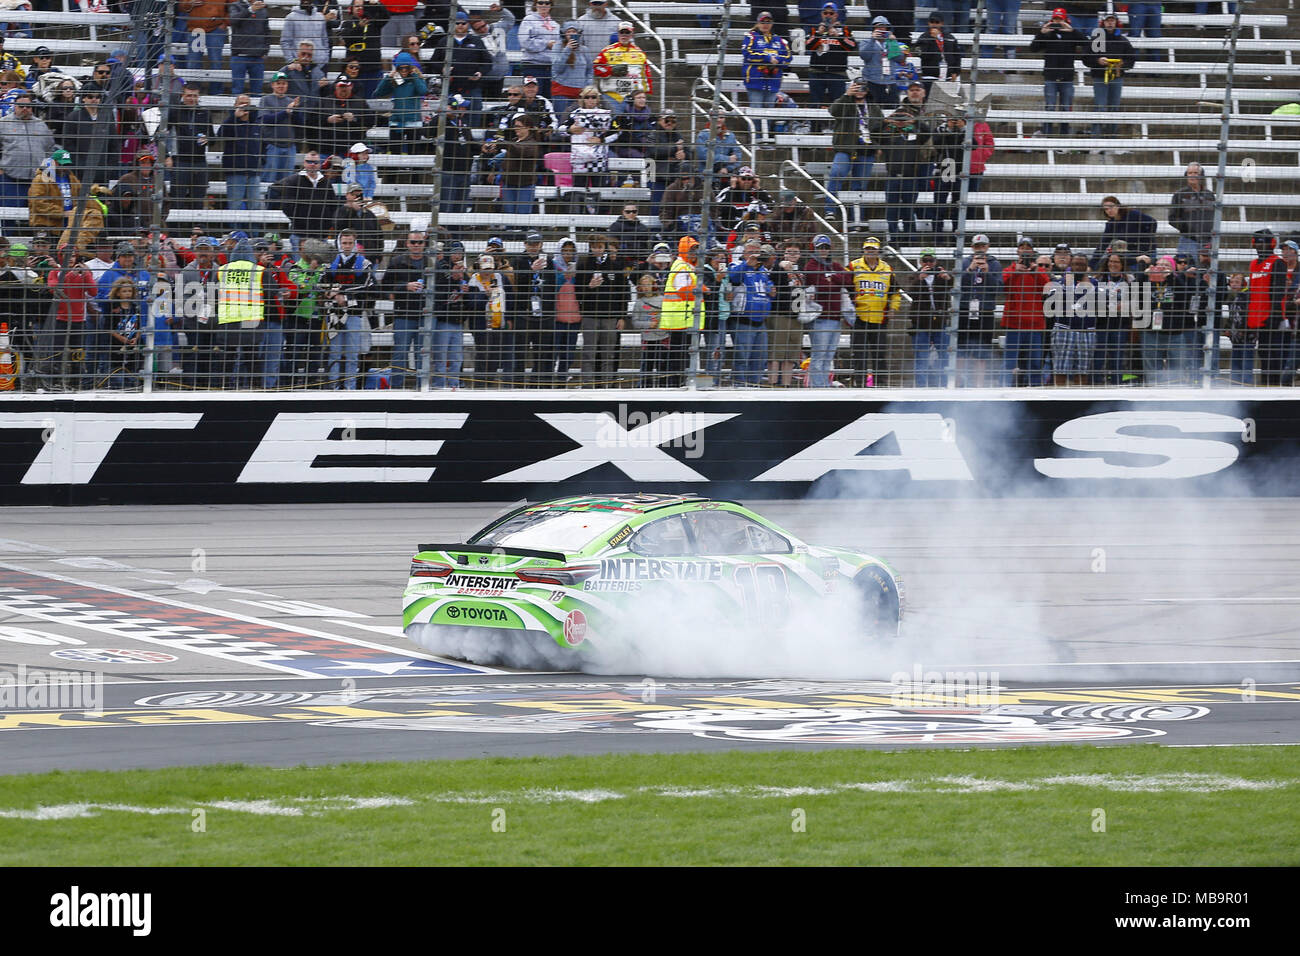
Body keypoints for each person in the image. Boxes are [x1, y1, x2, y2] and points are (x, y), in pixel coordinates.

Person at [878, 81, 933, 243]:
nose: (915, 93)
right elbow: (888, 136)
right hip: (907, 162)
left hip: (928, 160)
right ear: (907, 93)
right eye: (912, 90)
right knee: (902, 204)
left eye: (918, 90)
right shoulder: (900, 113)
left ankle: (912, 234)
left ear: (924, 92)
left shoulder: (932, 111)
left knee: (918, 200)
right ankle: (902, 237)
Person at [323, 229, 374, 390]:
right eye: (344, 243)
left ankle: (350, 388)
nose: (347, 246)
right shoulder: (329, 262)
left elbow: (365, 286)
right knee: (334, 353)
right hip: (334, 313)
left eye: (350, 243)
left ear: (355, 244)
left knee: (352, 354)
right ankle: (333, 387)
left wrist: (340, 293)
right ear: (339, 243)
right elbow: (321, 283)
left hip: (354, 313)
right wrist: (334, 294)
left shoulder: (364, 263)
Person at [1135, 254, 1195, 386]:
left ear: (1173, 269)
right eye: (1160, 265)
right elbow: (1133, 292)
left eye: (1166, 266)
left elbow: (1186, 298)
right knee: (1151, 370)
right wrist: (1143, 275)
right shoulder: (1147, 281)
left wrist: (1172, 277)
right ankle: (1152, 391)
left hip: (1174, 333)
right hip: (1150, 331)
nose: (1162, 268)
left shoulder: (1178, 281)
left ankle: (1176, 392)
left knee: (1177, 368)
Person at [803, 234, 853, 387]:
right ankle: (817, 389)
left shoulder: (835, 265)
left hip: (835, 318)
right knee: (819, 356)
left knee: (828, 356)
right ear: (814, 248)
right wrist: (835, 281)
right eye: (820, 247)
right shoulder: (810, 266)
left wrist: (834, 279)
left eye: (826, 247)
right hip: (820, 318)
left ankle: (824, 386)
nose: (824, 250)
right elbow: (822, 287)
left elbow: (849, 281)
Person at [577, 233, 626, 385]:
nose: (597, 250)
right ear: (590, 247)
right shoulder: (583, 264)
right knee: (589, 353)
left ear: (604, 247)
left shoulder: (615, 265)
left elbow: (623, 292)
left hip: (610, 317)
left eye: (600, 247)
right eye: (594, 247)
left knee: (608, 354)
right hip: (590, 315)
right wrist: (589, 287)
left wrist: (622, 316)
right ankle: (587, 384)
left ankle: (607, 385)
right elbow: (577, 292)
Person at [1029, 8, 1085, 137]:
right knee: (1050, 107)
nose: (1057, 22)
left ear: (1065, 20)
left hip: (1067, 77)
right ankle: (1047, 134)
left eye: (1060, 19)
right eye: (1055, 19)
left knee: (1066, 108)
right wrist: (1041, 33)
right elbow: (1033, 48)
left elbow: (1087, 43)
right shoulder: (1047, 35)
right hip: (1051, 76)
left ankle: (1064, 136)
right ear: (1051, 20)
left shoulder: (1071, 34)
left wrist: (1072, 30)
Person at [1001, 237, 1050, 386]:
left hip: (1035, 324)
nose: (1025, 250)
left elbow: (1047, 288)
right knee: (1010, 362)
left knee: (1035, 362)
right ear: (1018, 251)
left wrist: (1035, 271)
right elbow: (1001, 285)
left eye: (1028, 248)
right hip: (1014, 323)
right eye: (1022, 247)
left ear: (1033, 251)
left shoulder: (1040, 271)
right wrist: (1015, 271)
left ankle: (1035, 389)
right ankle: (1006, 388)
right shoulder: (1009, 269)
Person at [827, 81, 879, 217]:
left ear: (867, 90)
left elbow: (881, 127)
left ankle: (856, 220)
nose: (860, 90)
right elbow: (833, 111)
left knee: (860, 186)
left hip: (867, 150)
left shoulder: (873, 107)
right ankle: (830, 209)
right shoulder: (845, 102)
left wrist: (878, 145)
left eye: (863, 87)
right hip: (845, 148)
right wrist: (846, 95)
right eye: (856, 87)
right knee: (836, 174)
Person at [658, 235, 704, 387]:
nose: (694, 253)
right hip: (679, 318)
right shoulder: (681, 266)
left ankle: (679, 382)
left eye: (696, 250)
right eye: (692, 250)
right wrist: (701, 289)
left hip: (684, 318)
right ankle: (674, 384)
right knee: (678, 354)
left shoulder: (687, 266)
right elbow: (682, 289)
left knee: (683, 354)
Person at [726, 243, 774, 386]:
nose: (755, 255)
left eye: (757, 251)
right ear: (744, 253)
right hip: (743, 320)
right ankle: (738, 386)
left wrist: (772, 291)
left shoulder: (763, 270)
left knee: (760, 358)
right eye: (751, 251)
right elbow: (733, 278)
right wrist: (747, 264)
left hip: (761, 321)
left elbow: (768, 287)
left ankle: (755, 385)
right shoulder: (737, 265)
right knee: (742, 358)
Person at [268, 151, 334, 252]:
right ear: (304, 163)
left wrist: (326, 224)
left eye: (315, 162)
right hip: (300, 234)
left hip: (321, 234)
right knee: (299, 266)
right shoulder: (293, 181)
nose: (312, 165)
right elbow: (287, 206)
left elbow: (332, 205)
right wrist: (299, 221)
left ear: (320, 164)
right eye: (309, 162)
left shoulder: (326, 183)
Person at [1046, 253, 1097, 386]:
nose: (1078, 267)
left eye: (1082, 265)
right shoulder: (1060, 282)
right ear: (1070, 266)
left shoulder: (1094, 283)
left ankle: (1081, 400)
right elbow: (1051, 301)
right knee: (1060, 369)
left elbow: (1104, 301)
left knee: (1083, 370)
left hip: (1087, 331)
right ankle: (1060, 399)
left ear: (1087, 267)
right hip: (1064, 329)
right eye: (1075, 264)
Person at [957, 243, 1002, 387]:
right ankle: (957, 384)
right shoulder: (964, 262)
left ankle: (979, 385)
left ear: (987, 246)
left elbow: (998, 289)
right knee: (961, 351)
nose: (980, 249)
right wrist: (970, 269)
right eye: (977, 246)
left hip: (985, 311)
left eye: (982, 246)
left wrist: (987, 273)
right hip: (965, 310)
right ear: (972, 247)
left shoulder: (994, 264)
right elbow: (958, 285)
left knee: (982, 351)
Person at [1246, 229, 1287, 386]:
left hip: (1272, 317)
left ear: (1271, 244)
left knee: (1273, 354)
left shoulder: (1277, 262)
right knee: (1263, 352)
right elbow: (1251, 291)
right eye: (1257, 242)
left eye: (1262, 242)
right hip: (1256, 317)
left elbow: (1278, 293)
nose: (1259, 245)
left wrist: (1274, 316)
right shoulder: (1253, 264)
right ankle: (1265, 385)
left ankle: (1274, 386)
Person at [483, 114, 544, 215]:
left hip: (525, 185)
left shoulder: (533, 143)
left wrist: (504, 144)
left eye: (519, 126)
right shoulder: (514, 141)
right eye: (515, 126)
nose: (516, 129)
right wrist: (494, 171)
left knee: (523, 215)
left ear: (528, 127)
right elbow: (505, 159)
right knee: (508, 214)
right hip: (508, 183)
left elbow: (521, 151)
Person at [217, 95, 263, 227]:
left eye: (247, 103)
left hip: (254, 171)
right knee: (235, 206)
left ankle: (254, 238)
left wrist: (261, 161)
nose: (244, 106)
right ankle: (235, 238)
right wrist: (234, 117)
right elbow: (220, 135)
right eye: (241, 103)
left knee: (255, 207)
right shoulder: (231, 123)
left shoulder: (256, 123)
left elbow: (264, 144)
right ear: (235, 106)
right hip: (235, 171)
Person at [1086, 12, 1136, 136]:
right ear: (1103, 23)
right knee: (1100, 107)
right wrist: (1097, 61)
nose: (1110, 23)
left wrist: (1122, 65)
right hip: (1099, 76)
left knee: (1114, 108)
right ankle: (1095, 137)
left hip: (1117, 77)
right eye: (1108, 21)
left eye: (1112, 21)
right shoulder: (1096, 39)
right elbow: (1086, 58)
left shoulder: (1123, 40)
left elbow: (1132, 59)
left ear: (1116, 23)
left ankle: (1112, 137)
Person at [567, 86, 616, 209]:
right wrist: (570, 130)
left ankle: (600, 225)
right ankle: (579, 224)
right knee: (579, 193)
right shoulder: (574, 113)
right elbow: (560, 130)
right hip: (579, 162)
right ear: (582, 99)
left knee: (600, 193)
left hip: (598, 161)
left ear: (598, 99)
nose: (590, 100)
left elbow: (616, 132)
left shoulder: (606, 114)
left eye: (593, 97)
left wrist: (601, 139)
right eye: (587, 97)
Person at [0, 91, 52, 206]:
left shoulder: (41, 125)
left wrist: (47, 176)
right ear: (14, 107)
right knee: (10, 215)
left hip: (37, 181)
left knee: (37, 215)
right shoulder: (3, 124)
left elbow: (49, 150)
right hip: (11, 180)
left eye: (28, 106)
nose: (25, 109)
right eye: (21, 106)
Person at [373, 52, 428, 154]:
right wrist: (388, 78)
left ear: (410, 67)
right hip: (396, 122)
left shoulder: (417, 78)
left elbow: (423, 91)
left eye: (406, 68)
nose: (403, 70)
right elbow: (378, 93)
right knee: (395, 153)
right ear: (397, 68)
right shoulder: (395, 80)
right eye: (400, 68)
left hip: (413, 122)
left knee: (414, 154)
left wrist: (414, 76)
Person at [1092, 252, 1134, 385]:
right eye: (1111, 261)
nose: (1113, 264)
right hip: (1101, 324)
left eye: (1116, 262)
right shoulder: (1098, 279)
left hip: (1120, 324)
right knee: (1098, 356)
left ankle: (1117, 384)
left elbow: (1133, 302)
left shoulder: (1129, 280)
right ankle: (1096, 383)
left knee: (1117, 357)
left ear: (1122, 265)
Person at [593, 21, 652, 113]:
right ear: (618, 33)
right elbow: (596, 68)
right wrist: (611, 70)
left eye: (627, 32)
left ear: (632, 34)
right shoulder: (607, 50)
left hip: (631, 98)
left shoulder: (639, 53)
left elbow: (646, 75)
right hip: (611, 95)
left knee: (630, 125)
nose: (624, 35)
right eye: (621, 32)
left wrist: (647, 93)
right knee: (614, 124)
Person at [740, 12, 792, 110]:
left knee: (769, 112)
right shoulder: (751, 36)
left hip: (773, 82)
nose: (765, 25)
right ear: (758, 23)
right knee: (756, 112)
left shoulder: (779, 40)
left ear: (772, 24)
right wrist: (768, 58)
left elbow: (788, 58)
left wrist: (778, 61)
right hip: (755, 81)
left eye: (768, 22)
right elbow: (748, 54)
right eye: (763, 22)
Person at [1091, 196, 1157, 268]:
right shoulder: (1111, 224)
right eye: (1106, 209)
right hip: (1129, 253)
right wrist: (1090, 265)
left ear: (1118, 206)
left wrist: (1144, 241)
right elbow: (1103, 244)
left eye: (1111, 207)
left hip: (1146, 251)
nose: (1109, 210)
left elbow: (1152, 222)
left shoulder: (1133, 214)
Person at [181, 0, 230, 91]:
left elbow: (234, 6)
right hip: (196, 28)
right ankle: (193, 91)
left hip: (216, 28)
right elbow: (181, 6)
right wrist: (190, 3)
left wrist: (225, 22)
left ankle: (216, 93)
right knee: (193, 62)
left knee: (216, 62)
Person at [1169, 162, 1215, 258]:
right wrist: (1187, 228)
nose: (1192, 176)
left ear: (1201, 176)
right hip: (1188, 240)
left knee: (1207, 270)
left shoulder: (1210, 195)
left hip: (1207, 241)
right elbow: (1172, 218)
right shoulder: (1179, 194)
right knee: (1187, 268)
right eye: (1190, 173)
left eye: (1195, 173)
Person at [859, 16, 906, 107]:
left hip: (889, 81)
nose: (880, 29)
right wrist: (872, 40)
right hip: (871, 81)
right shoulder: (866, 42)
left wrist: (893, 43)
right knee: (872, 110)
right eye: (878, 27)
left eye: (883, 27)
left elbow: (899, 59)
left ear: (887, 29)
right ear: (873, 29)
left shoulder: (891, 42)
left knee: (890, 110)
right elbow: (864, 56)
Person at [551, 21, 593, 119]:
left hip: (580, 93)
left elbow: (590, 70)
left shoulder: (584, 49)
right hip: (562, 92)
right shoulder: (558, 47)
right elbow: (557, 69)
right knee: (562, 121)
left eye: (574, 31)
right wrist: (567, 49)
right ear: (564, 34)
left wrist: (587, 87)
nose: (571, 34)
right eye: (568, 31)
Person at [912, 12, 961, 96]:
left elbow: (957, 56)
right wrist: (932, 39)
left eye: (937, 22)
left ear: (942, 23)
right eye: (932, 22)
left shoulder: (950, 38)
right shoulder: (923, 38)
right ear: (928, 23)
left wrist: (956, 72)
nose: (934, 24)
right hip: (930, 76)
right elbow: (921, 54)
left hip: (947, 77)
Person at [229, 0, 271, 97]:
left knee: (257, 91)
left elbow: (267, 32)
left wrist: (265, 50)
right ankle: (235, 112)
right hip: (239, 55)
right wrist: (250, 10)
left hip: (257, 56)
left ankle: (255, 112)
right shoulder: (235, 5)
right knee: (237, 91)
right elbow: (233, 20)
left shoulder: (263, 9)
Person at [519, 0, 561, 97]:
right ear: (535, 5)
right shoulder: (528, 20)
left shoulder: (555, 25)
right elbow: (525, 42)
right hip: (533, 66)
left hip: (550, 68)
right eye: (540, 3)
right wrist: (546, 44)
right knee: (533, 97)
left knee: (549, 98)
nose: (543, 5)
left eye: (547, 3)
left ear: (551, 6)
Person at [331, 183, 385, 259]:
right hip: (347, 257)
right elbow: (338, 226)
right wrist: (351, 210)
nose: (357, 197)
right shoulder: (340, 212)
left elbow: (379, 235)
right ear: (347, 195)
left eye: (359, 195)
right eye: (353, 194)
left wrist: (378, 256)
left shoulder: (369, 214)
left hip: (369, 257)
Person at [281, 0, 331, 67]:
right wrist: (291, 61)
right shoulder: (291, 17)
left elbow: (324, 40)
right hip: (298, 64)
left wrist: (324, 58)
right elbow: (285, 42)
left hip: (319, 64)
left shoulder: (320, 17)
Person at [695, 111, 742, 178]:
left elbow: (738, 157)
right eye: (715, 117)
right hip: (707, 177)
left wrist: (727, 169)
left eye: (721, 117)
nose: (718, 120)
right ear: (710, 118)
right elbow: (704, 156)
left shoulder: (731, 135)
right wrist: (727, 158)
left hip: (726, 176)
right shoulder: (702, 135)